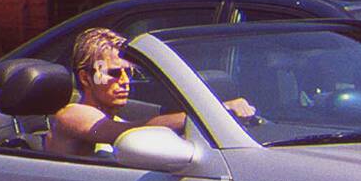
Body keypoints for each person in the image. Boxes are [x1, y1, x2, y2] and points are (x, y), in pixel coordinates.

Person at [49, 28, 255, 157]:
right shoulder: (71, 114)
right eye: (113, 73)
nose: (124, 81)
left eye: (128, 73)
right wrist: (213, 113)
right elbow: (127, 132)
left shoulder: (116, 119)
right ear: (85, 77)